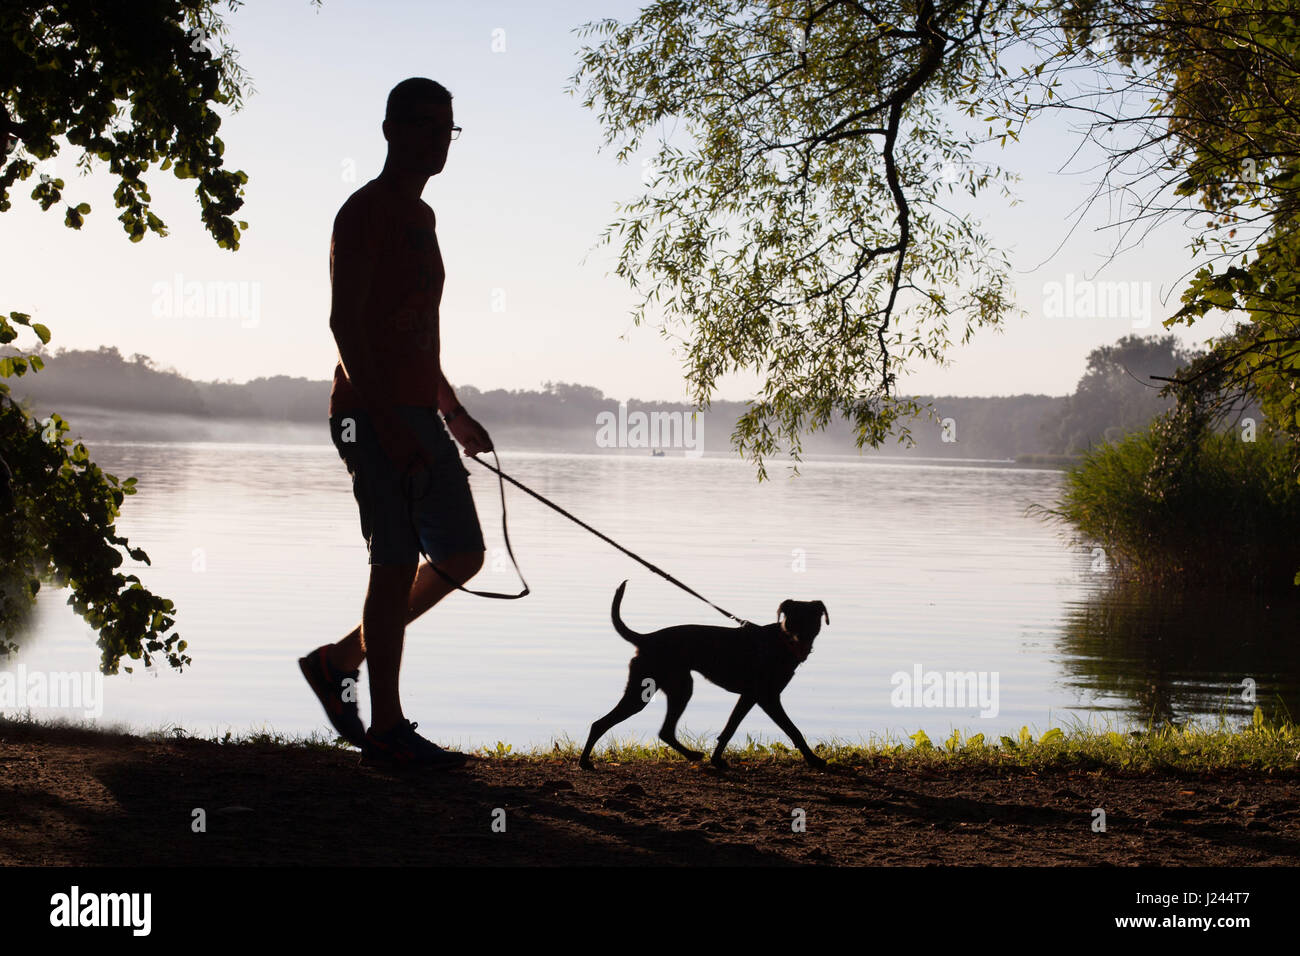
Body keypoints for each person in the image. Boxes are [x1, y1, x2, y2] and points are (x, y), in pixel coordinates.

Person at [300, 77, 492, 769]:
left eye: (448, 126)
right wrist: (386, 425)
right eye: (425, 124)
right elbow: (345, 324)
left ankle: (338, 661)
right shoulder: (365, 212)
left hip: (417, 408)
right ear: (390, 130)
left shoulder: (424, 218)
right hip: (368, 413)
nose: (439, 138)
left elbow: (418, 334)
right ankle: (386, 731)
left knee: (463, 554)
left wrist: (453, 411)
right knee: (394, 561)